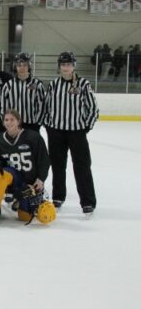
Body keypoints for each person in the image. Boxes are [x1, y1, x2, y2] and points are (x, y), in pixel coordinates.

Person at [43, 51, 99, 217]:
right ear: (59, 67)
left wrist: (85, 128)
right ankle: (58, 197)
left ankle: (88, 202)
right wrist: (49, 126)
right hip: (56, 132)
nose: (66, 67)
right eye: (63, 64)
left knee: (82, 166)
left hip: (77, 132)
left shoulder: (83, 84)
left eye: (68, 64)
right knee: (58, 166)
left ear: (74, 66)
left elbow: (93, 109)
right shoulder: (54, 84)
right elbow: (46, 107)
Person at [0, 109, 54, 225]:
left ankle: (19, 200)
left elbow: (44, 160)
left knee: (24, 216)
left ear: (18, 121)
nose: (9, 122)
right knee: (0, 175)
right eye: (6, 120)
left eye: (12, 119)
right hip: (13, 177)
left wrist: (41, 179)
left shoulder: (33, 137)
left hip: (29, 183)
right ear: (3, 122)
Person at [0, 52, 46, 133]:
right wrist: (6, 122)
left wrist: (38, 124)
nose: (22, 68)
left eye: (25, 65)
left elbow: (42, 106)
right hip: (13, 124)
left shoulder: (37, 84)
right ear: (15, 67)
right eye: (19, 65)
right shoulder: (8, 85)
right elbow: (4, 107)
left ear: (29, 66)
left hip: (32, 126)